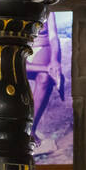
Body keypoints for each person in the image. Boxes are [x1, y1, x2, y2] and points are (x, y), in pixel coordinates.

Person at [25, 13, 63, 153]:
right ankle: (47, 69)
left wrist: (54, 60)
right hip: (22, 50)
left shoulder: (48, 9)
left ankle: (30, 131)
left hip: (42, 47)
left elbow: (53, 37)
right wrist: (48, 68)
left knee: (44, 78)